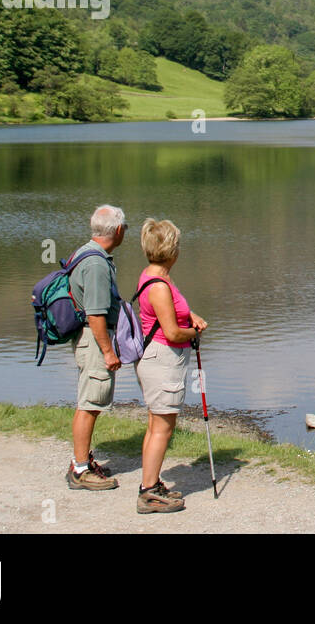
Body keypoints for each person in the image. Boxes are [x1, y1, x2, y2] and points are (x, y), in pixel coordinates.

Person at [134, 218, 207, 514]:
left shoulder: (155, 276)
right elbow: (173, 332)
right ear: (172, 250)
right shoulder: (159, 285)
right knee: (162, 428)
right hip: (162, 361)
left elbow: (173, 312)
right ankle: (149, 492)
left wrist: (191, 315)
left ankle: (150, 484)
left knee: (156, 425)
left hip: (157, 360)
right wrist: (195, 333)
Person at [66, 204, 127, 490]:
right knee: (89, 404)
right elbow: (95, 314)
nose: (125, 232)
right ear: (117, 230)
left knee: (89, 400)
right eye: (124, 227)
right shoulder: (96, 264)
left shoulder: (86, 252)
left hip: (89, 339)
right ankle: (80, 470)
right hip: (93, 341)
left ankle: (83, 460)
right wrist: (108, 351)